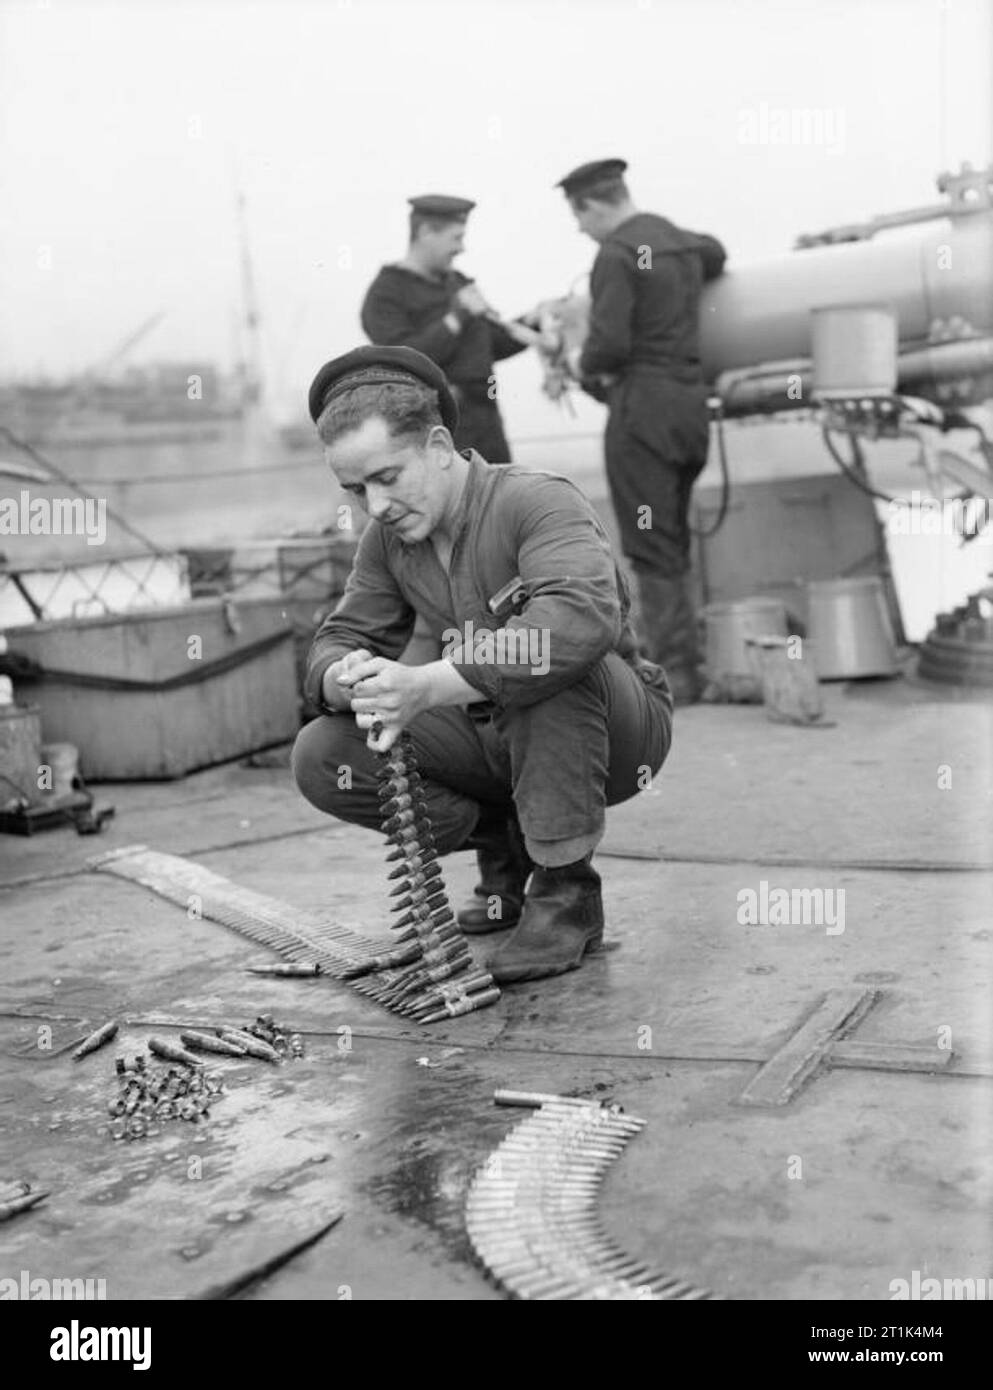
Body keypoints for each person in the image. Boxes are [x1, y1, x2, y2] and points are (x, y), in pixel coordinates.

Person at [292, 345, 674, 984]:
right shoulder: (387, 540)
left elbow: (576, 623)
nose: (376, 505)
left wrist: (426, 684)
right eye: (356, 490)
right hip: (494, 732)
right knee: (322, 752)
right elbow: (338, 638)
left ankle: (565, 895)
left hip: (613, 727)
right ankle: (503, 841)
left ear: (438, 445)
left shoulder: (536, 501)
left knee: (543, 663)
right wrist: (348, 676)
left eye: (388, 477)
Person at [556, 158, 727, 703]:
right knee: (672, 536)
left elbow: (609, 346)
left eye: (578, 218)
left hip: (641, 415)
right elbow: (717, 251)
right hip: (689, 409)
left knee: (651, 545)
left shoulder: (615, 255)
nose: (580, 230)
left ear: (592, 204)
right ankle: (687, 664)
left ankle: (676, 675)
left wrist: (578, 363)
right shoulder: (680, 243)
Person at [360, 194, 533, 462]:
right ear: (426, 232)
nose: (461, 248)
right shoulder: (386, 294)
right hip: (439, 429)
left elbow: (491, 344)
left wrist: (533, 321)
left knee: (499, 499)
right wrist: (455, 318)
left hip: (487, 422)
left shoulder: (457, 282)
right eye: (456, 238)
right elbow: (402, 360)